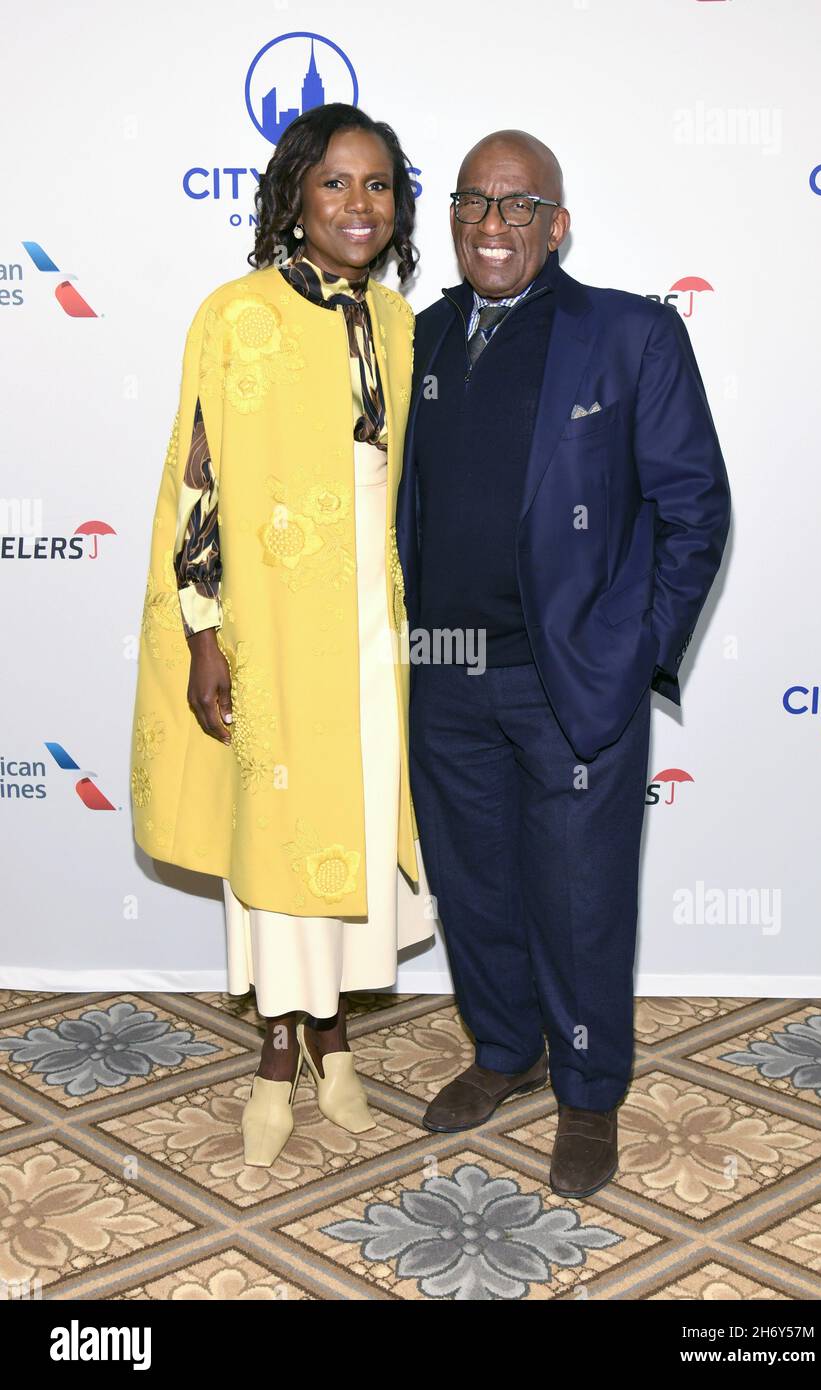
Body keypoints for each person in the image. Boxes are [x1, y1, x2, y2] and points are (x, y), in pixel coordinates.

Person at [396, 129, 731, 1198]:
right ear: (450, 219)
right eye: (472, 205)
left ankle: (589, 1092)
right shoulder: (421, 336)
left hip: (567, 673)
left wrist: (632, 654)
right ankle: (507, 1049)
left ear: (556, 222)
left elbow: (694, 507)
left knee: (579, 895)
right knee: (473, 881)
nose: (492, 226)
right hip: (443, 664)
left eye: (516, 206)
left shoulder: (628, 335)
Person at [131, 103, 432, 1168]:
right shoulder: (236, 314)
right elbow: (197, 483)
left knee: (351, 823)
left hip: (373, 619)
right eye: (337, 183)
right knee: (271, 832)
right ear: (294, 194)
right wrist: (205, 636)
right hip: (269, 616)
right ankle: (275, 1053)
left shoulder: (400, 323)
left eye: (380, 185)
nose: (360, 204)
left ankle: (336, 1042)